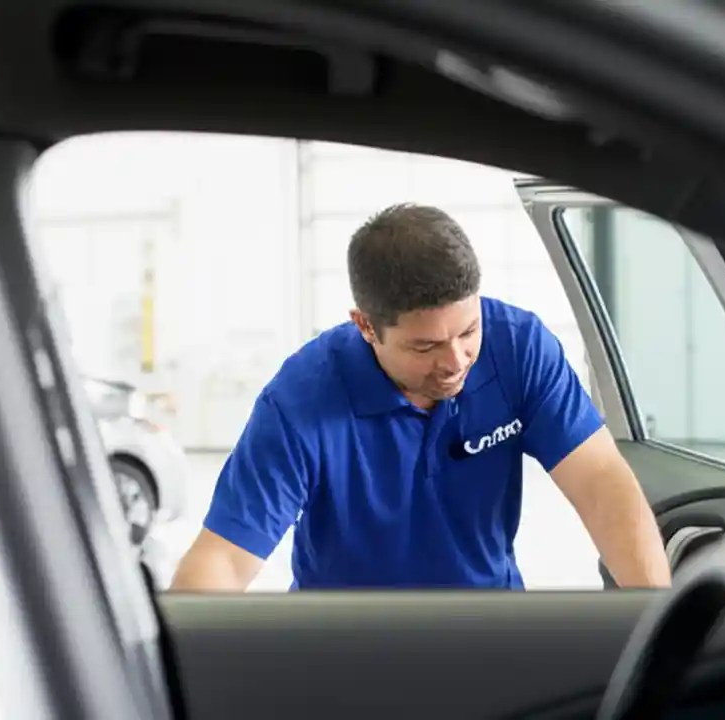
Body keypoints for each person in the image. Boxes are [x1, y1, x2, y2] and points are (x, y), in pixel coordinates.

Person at [171, 204, 671, 591]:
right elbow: (224, 557)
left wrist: (659, 630)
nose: (456, 360)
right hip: (341, 651)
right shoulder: (301, 400)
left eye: (469, 330)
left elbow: (603, 485)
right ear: (366, 325)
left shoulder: (519, 348)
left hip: (490, 633)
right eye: (426, 345)